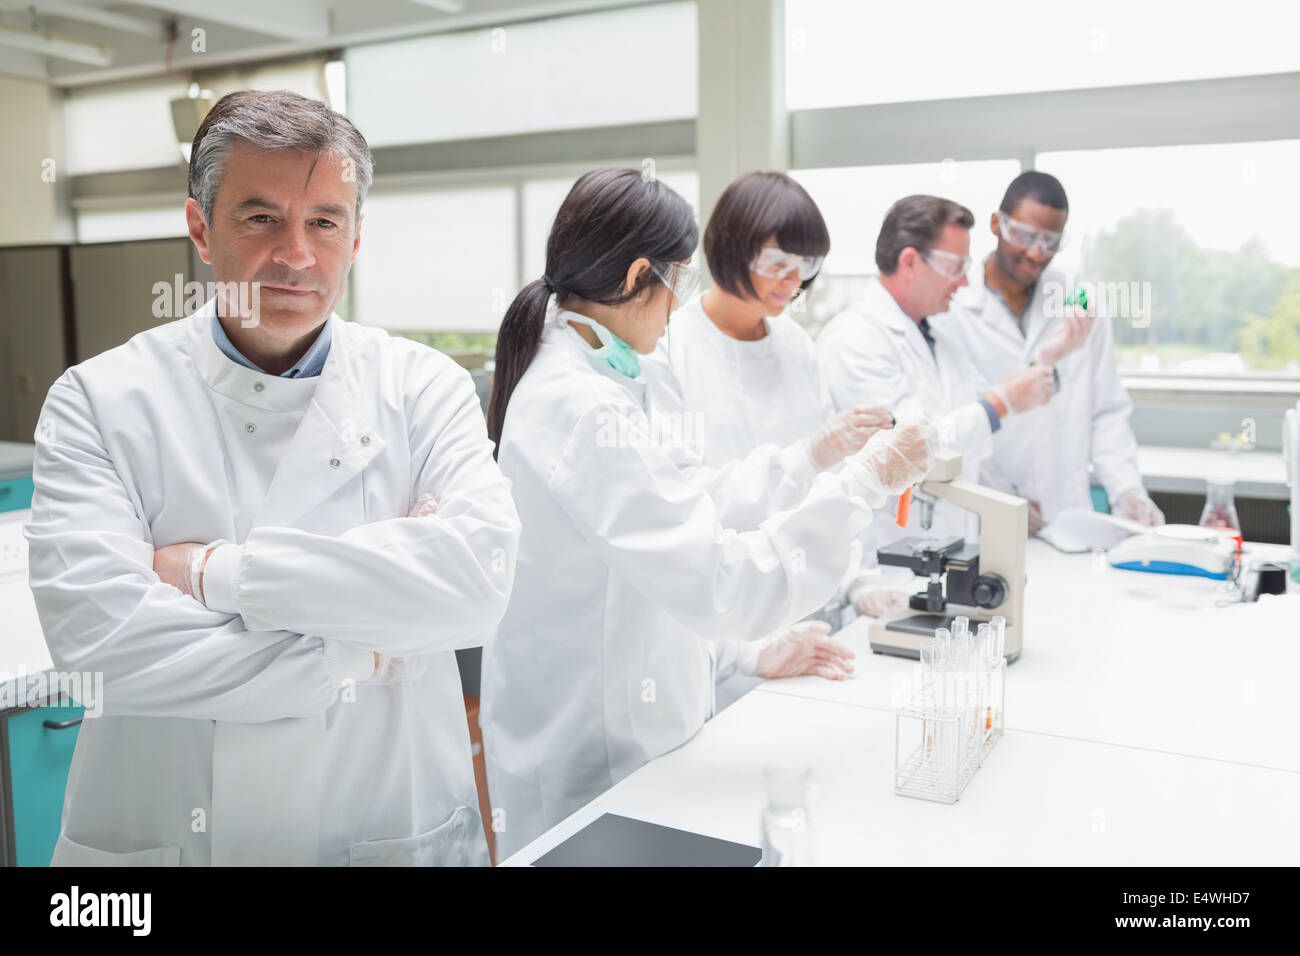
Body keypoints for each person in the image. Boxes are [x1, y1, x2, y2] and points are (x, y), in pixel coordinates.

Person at [24, 90, 520, 866]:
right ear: (201, 229)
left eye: (325, 221)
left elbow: (479, 586)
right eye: (261, 218)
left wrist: (212, 575)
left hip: (387, 831)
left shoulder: (424, 388)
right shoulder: (101, 400)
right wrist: (369, 648)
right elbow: (100, 648)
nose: (296, 254)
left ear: (355, 238)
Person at [480, 168, 937, 859]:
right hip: (590, 756)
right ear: (641, 274)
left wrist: (810, 461)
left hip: (654, 732)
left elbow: (690, 506)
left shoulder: (627, 370)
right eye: (680, 283)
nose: (677, 308)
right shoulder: (574, 404)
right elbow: (718, 579)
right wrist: (866, 482)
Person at [651, 170, 890, 706]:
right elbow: (689, 505)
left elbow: (823, 487)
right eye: (776, 263)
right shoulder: (671, 346)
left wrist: (859, 581)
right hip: (725, 634)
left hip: (812, 622)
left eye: (806, 267)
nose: (792, 282)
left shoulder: (796, 345)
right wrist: (806, 455)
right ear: (731, 250)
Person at [817, 195, 1060, 605]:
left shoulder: (942, 337)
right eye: (955, 267)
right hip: (883, 576)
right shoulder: (855, 340)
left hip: (948, 560)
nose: (964, 282)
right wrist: (998, 404)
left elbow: (974, 442)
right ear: (910, 262)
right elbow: (915, 448)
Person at [940, 171, 1162, 531]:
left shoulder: (1080, 301)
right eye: (1024, 236)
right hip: (985, 515)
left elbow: (1106, 411)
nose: (1036, 252)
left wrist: (1126, 491)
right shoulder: (953, 307)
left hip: (1065, 512)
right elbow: (956, 422)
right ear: (996, 224)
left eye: (1051, 241)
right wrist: (999, 499)